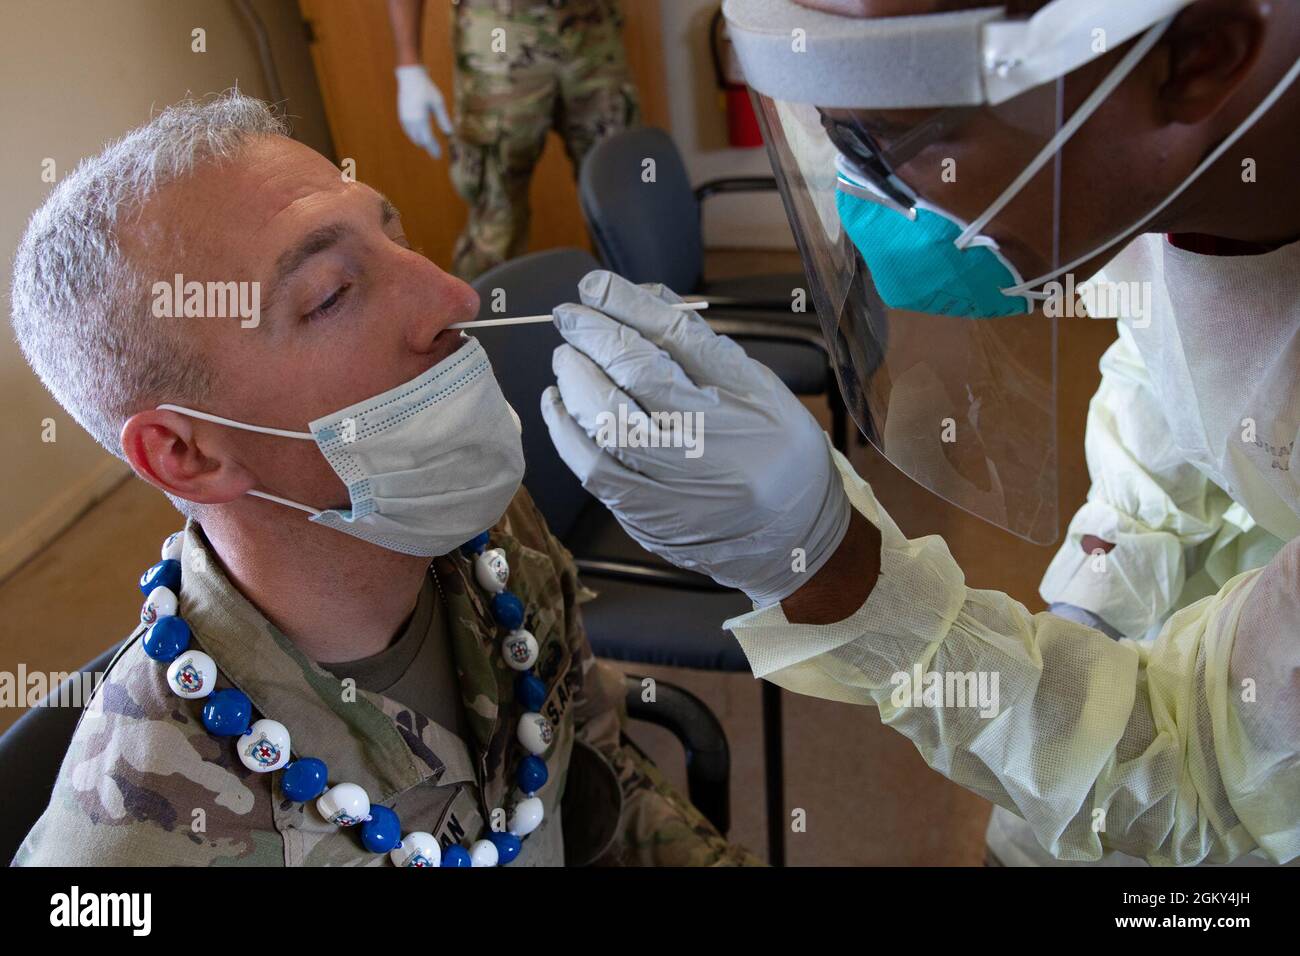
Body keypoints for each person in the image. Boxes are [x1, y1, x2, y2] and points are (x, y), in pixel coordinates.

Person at [537, 0, 1300, 866]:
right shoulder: (1184, 177)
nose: (856, 198)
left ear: (1196, 56)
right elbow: (1172, 382)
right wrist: (1100, 590)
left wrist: (844, 577)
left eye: (882, 138)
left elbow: (1204, 783)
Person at [8, 91, 757, 868]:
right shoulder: (133, 851)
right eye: (332, 294)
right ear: (186, 455)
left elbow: (600, 785)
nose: (455, 297)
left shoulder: (487, 532)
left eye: (393, 232)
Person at [387, 0, 639, 281]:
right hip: (499, 28)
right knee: (496, 213)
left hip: (592, 23)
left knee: (621, 195)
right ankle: (483, 322)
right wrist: (409, 65)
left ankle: (644, 315)